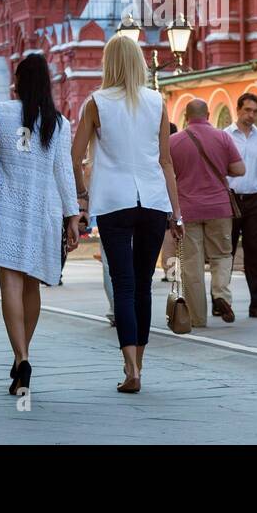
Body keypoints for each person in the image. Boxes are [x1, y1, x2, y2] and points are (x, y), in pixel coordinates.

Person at [0, 53, 80, 395]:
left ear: (19, 81)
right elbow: (64, 174)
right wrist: (73, 218)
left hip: (4, 211)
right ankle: (23, 355)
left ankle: (21, 357)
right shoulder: (59, 124)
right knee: (31, 287)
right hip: (43, 214)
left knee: (9, 287)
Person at [71, 35, 183, 394]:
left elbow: (74, 157)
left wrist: (83, 197)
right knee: (144, 285)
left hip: (113, 202)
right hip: (152, 200)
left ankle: (129, 366)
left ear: (109, 64)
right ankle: (141, 365)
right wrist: (175, 213)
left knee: (123, 284)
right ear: (139, 63)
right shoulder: (156, 101)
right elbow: (166, 162)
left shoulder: (96, 103)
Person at [170, 99, 244, 327]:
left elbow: (167, 174)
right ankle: (220, 293)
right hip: (219, 208)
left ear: (186, 116)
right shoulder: (223, 137)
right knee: (222, 255)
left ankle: (197, 317)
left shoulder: (173, 141)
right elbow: (240, 169)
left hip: (188, 209)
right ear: (209, 114)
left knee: (192, 263)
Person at [225, 92, 257, 319]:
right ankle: (221, 301)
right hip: (230, 200)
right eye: (247, 110)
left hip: (254, 200)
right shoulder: (225, 137)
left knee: (255, 252)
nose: (251, 115)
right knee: (226, 252)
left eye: (255, 111)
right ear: (238, 109)